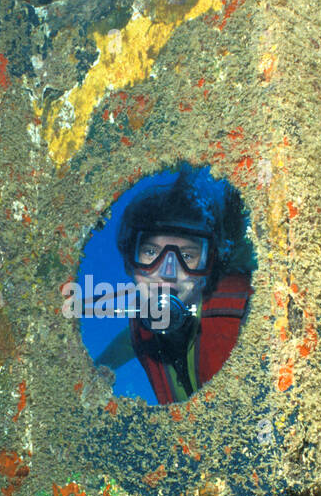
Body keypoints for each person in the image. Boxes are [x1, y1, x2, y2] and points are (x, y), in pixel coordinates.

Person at [95, 168, 252, 403]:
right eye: (151, 252)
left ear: (210, 267)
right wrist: (96, 368)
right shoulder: (145, 320)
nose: (168, 273)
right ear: (129, 263)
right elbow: (133, 338)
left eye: (187, 256)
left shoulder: (243, 315)